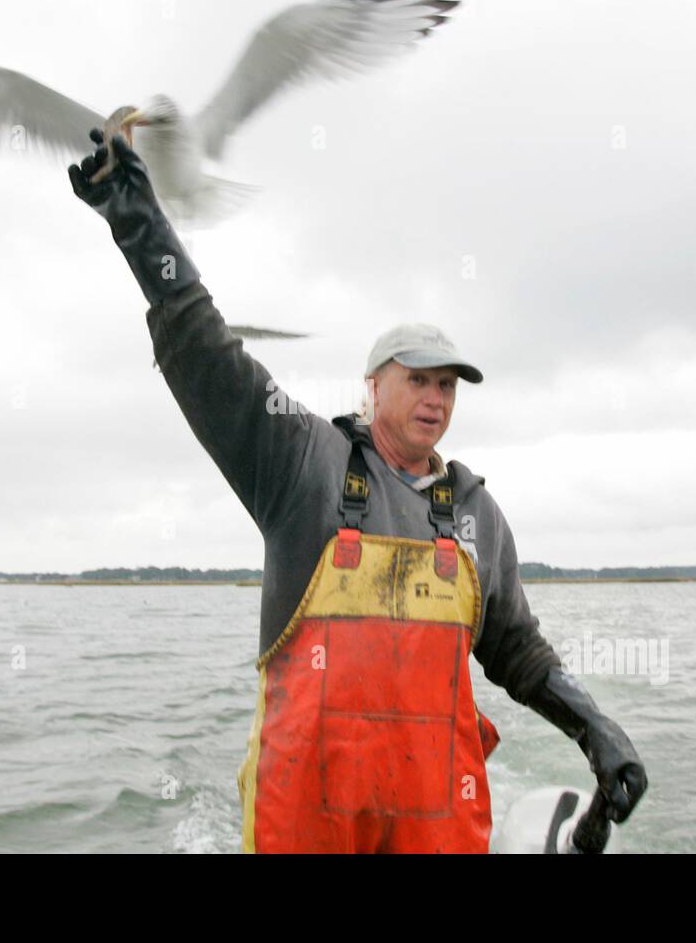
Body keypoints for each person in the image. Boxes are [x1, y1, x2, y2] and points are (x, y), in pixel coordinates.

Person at [69, 130, 647, 853]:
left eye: (448, 384)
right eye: (419, 379)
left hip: (435, 817)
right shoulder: (299, 460)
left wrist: (597, 728)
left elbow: (518, 652)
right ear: (373, 387)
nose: (436, 397)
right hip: (307, 814)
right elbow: (206, 351)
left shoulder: (475, 513)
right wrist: (136, 219)